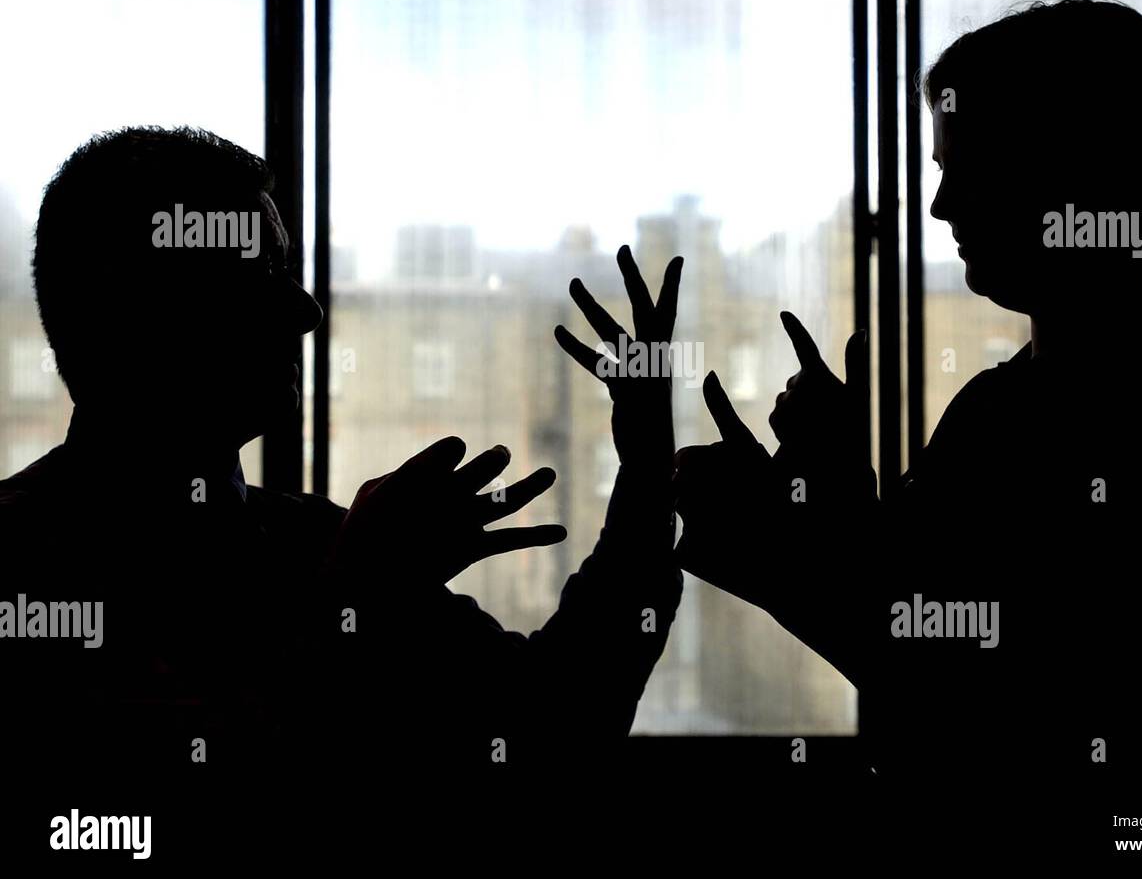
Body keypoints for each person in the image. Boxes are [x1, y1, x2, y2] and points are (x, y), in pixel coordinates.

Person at [674, 0, 1142, 778]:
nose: (942, 205)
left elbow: (965, 677)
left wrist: (772, 540)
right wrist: (827, 495)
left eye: (971, 170)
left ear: (1073, 171)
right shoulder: (1073, 397)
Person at [0, 126, 681, 778]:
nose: (304, 309)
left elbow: (554, 724)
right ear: (132, 310)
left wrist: (648, 473)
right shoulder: (20, 561)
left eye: (284, 268)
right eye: (252, 275)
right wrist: (361, 598)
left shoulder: (330, 542)